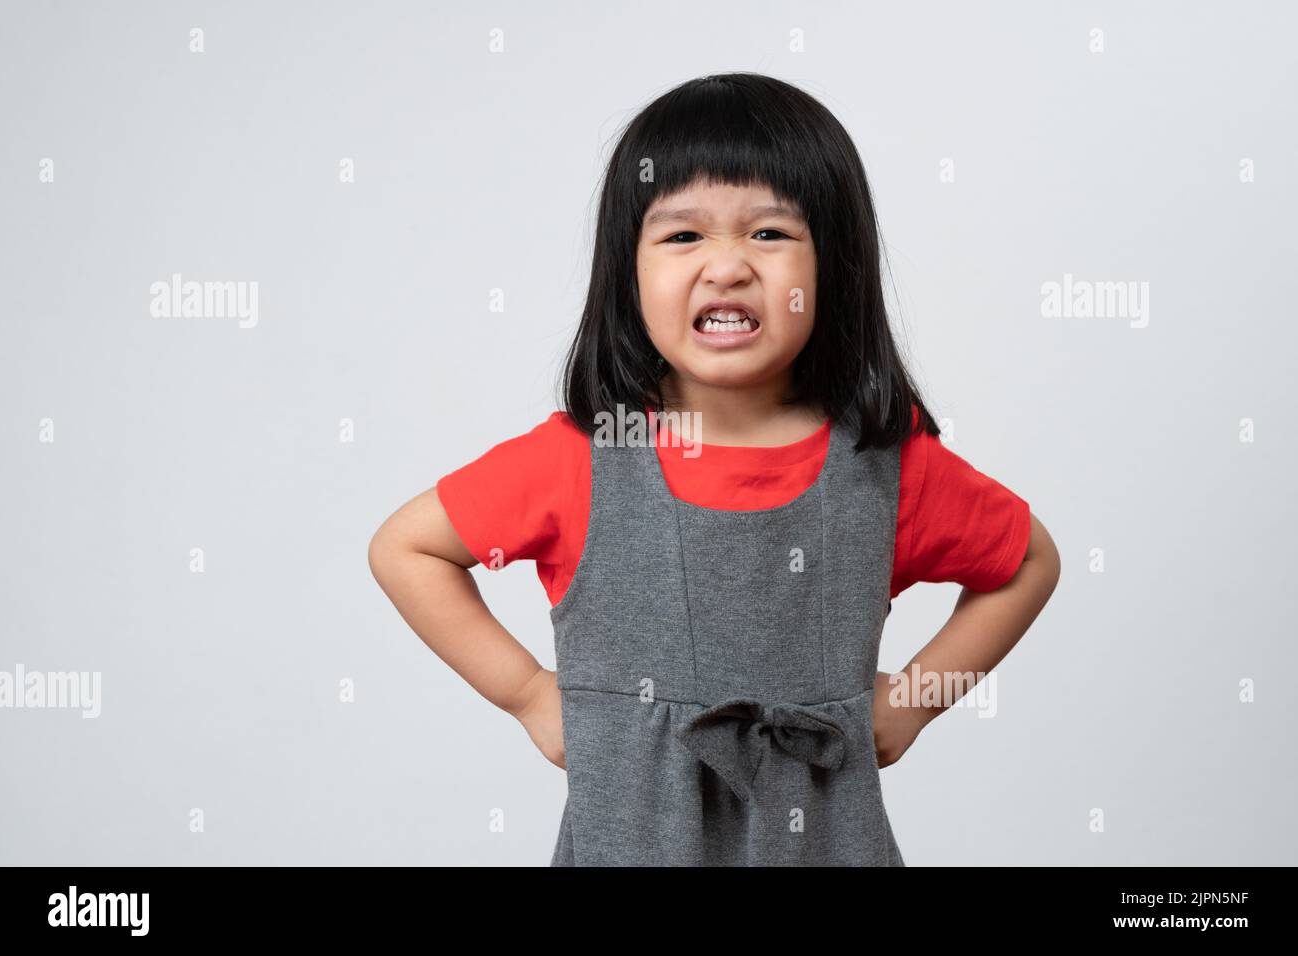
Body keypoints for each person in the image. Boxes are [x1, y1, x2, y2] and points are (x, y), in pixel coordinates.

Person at [368, 72, 1061, 866]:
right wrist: (528, 693)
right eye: (682, 236)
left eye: (769, 234)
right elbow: (406, 548)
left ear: (832, 266)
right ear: (629, 272)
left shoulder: (881, 465)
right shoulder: (585, 458)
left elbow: (1026, 561)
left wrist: (910, 702)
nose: (727, 266)